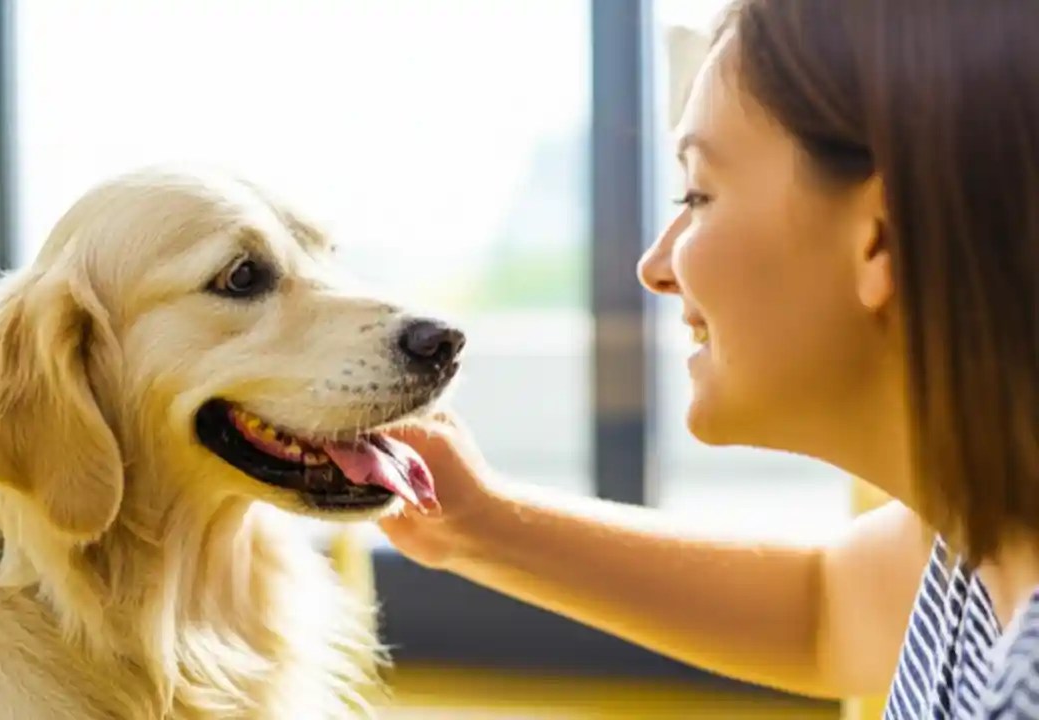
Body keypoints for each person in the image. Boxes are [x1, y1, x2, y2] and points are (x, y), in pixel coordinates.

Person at [378, 1, 1039, 718]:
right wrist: (477, 521)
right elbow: (824, 609)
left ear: (882, 238)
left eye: (698, 193)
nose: (655, 266)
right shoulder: (981, 540)